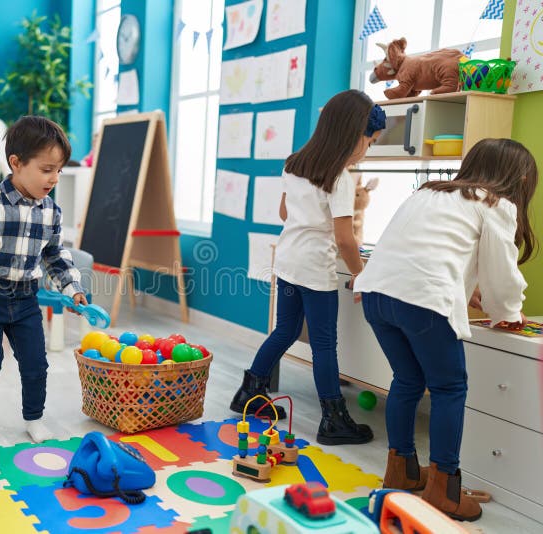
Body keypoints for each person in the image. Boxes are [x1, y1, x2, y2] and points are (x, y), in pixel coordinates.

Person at [355, 138, 537, 521]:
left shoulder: (429, 192)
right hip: (421, 300)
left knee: (407, 379)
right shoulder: (495, 203)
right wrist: (507, 311)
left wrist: (465, 290)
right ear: (520, 178)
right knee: (450, 387)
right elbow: (502, 274)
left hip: (375, 292)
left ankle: (401, 470)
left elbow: (427, 252)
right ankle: (443, 488)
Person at [230, 90, 385, 446]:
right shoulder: (340, 178)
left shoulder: (294, 164)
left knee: (285, 330)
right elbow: (345, 239)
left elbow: (285, 213)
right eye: (370, 141)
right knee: (324, 344)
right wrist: (361, 274)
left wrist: (309, 219)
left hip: (287, 261)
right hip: (315, 270)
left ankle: (249, 394)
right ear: (353, 134)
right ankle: (333, 419)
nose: (367, 149)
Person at [0, 116, 87, 446]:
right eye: (46, 169)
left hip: (25, 299)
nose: (54, 178)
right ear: (16, 163)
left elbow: (55, 254)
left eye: (58, 170)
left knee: (36, 364)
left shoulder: (51, 211)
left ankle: (34, 418)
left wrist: (72, 289)